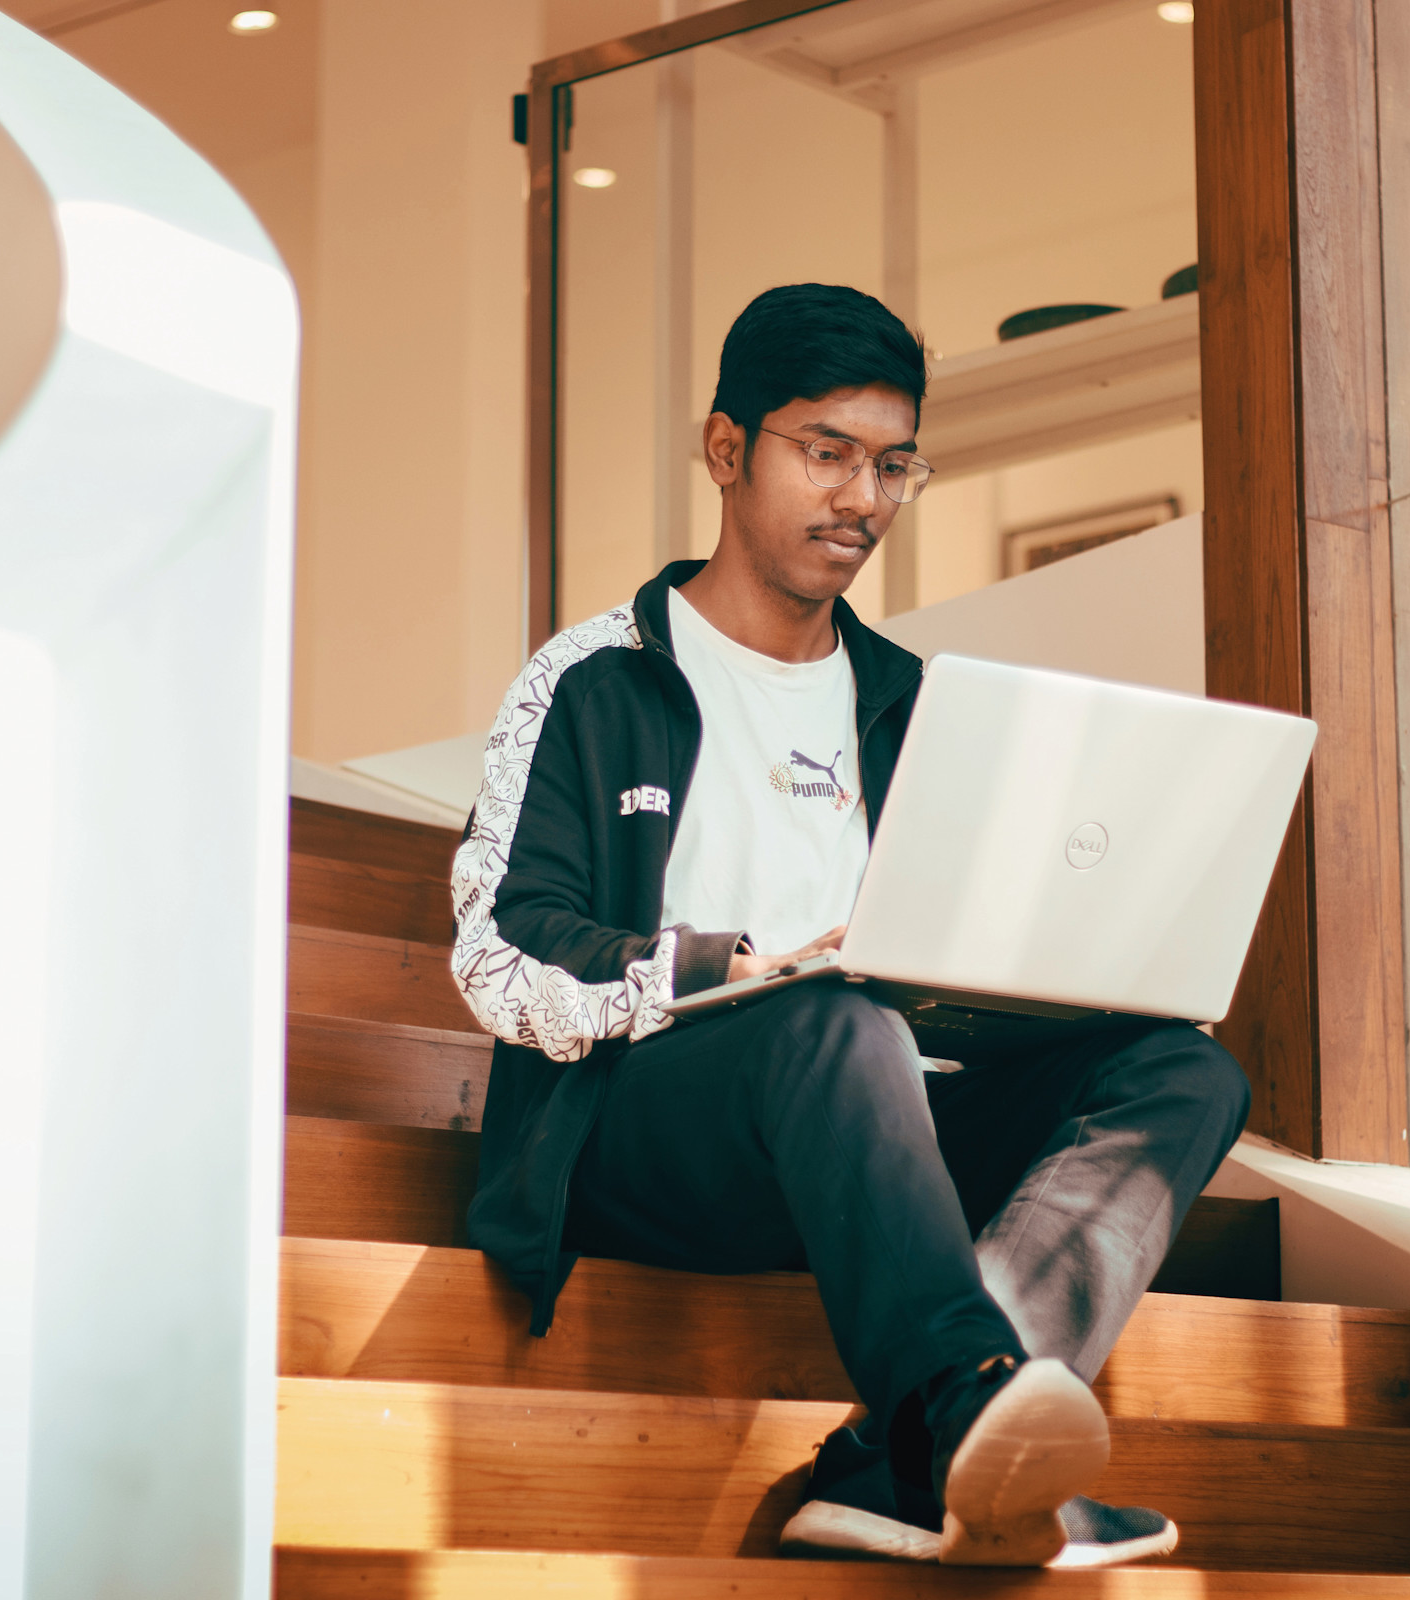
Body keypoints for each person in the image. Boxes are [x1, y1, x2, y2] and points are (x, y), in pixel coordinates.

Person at [449, 282, 1252, 1568]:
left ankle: (918, 1444)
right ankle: (950, 1426)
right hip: (659, 1132)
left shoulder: (916, 703)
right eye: (826, 453)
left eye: (894, 464)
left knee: (1183, 1064)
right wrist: (734, 968)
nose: (863, 499)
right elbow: (501, 946)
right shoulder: (593, 679)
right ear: (728, 451)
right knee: (830, 1019)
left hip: (881, 1137)